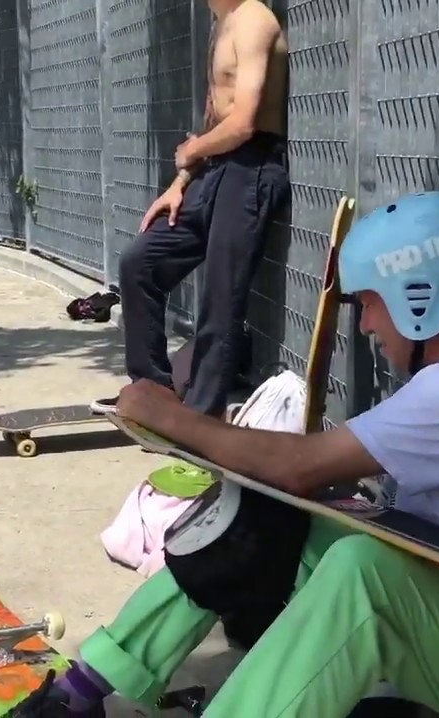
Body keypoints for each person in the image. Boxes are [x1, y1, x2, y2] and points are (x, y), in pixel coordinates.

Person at [8, 191, 439, 718]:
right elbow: (290, 478)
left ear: (417, 294)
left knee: (361, 571)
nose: (364, 324)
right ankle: (85, 689)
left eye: (368, 302)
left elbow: (300, 462)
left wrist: (170, 416)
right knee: (269, 509)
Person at [89, 0, 291, 418]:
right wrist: (180, 183)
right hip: (215, 169)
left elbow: (245, 122)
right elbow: (216, 119)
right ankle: (152, 391)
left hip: (250, 167)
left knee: (221, 298)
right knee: (140, 263)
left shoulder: (254, 18)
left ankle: (200, 416)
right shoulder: (221, 25)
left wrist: (190, 151)